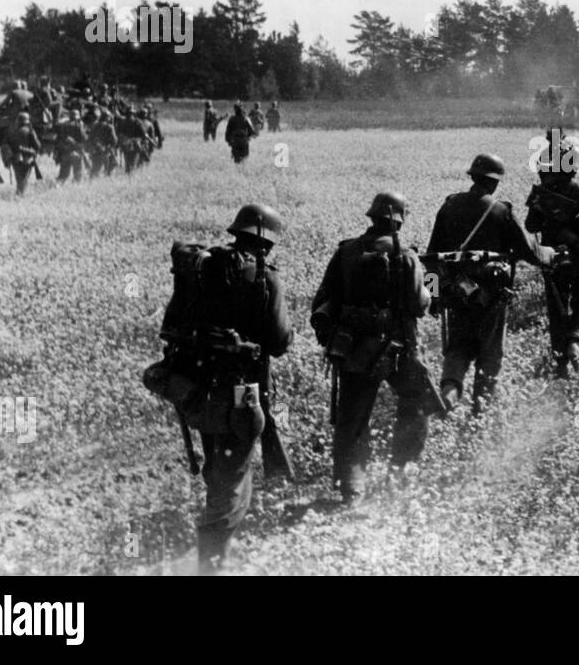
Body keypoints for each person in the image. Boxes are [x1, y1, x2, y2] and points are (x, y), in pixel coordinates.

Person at [154, 204, 292, 573]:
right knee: (234, 478)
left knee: (220, 461)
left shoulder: (203, 268)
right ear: (268, 242)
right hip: (242, 390)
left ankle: (215, 550)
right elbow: (280, 342)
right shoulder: (264, 278)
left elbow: (173, 326)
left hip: (197, 385)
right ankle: (210, 564)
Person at [310, 192, 445, 501]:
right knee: (419, 402)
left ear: (372, 218)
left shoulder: (346, 252)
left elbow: (325, 297)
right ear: (398, 221)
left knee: (353, 418)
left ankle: (352, 488)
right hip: (397, 349)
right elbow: (419, 305)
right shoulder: (406, 256)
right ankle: (400, 472)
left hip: (353, 347)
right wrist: (428, 289)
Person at [425, 153, 553, 414]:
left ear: (473, 176)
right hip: (491, 297)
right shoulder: (500, 210)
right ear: (494, 182)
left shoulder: (449, 206)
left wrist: (434, 295)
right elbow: (530, 252)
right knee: (489, 354)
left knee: (458, 348)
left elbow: (431, 257)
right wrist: (550, 253)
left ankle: (448, 397)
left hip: (456, 293)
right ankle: (479, 413)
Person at [526, 135, 579, 378]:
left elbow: (531, 225)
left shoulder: (541, 193)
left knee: (557, 309)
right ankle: (576, 340)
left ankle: (560, 360)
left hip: (554, 260)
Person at [0, 111, 42, 196]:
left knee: (19, 180)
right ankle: (19, 197)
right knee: (24, 180)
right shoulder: (30, 131)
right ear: (27, 121)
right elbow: (38, 146)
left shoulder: (10, 131)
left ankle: (18, 195)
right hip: (27, 159)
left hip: (15, 158)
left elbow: (4, 145)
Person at [54, 109, 87, 184]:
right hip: (76, 152)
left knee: (63, 173)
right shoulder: (79, 125)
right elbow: (84, 138)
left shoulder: (64, 124)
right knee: (77, 172)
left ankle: (58, 186)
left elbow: (59, 138)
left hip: (65, 152)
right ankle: (76, 186)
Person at [87, 110, 119, 177]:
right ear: (107, 118)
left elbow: (89, 139)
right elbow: (114, 140)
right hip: (106, 150)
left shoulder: (94, 125)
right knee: (112, 164)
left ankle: (92, 180)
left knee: (95, 167)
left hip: (95, 149)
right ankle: (107, 177)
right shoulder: (110, 127)